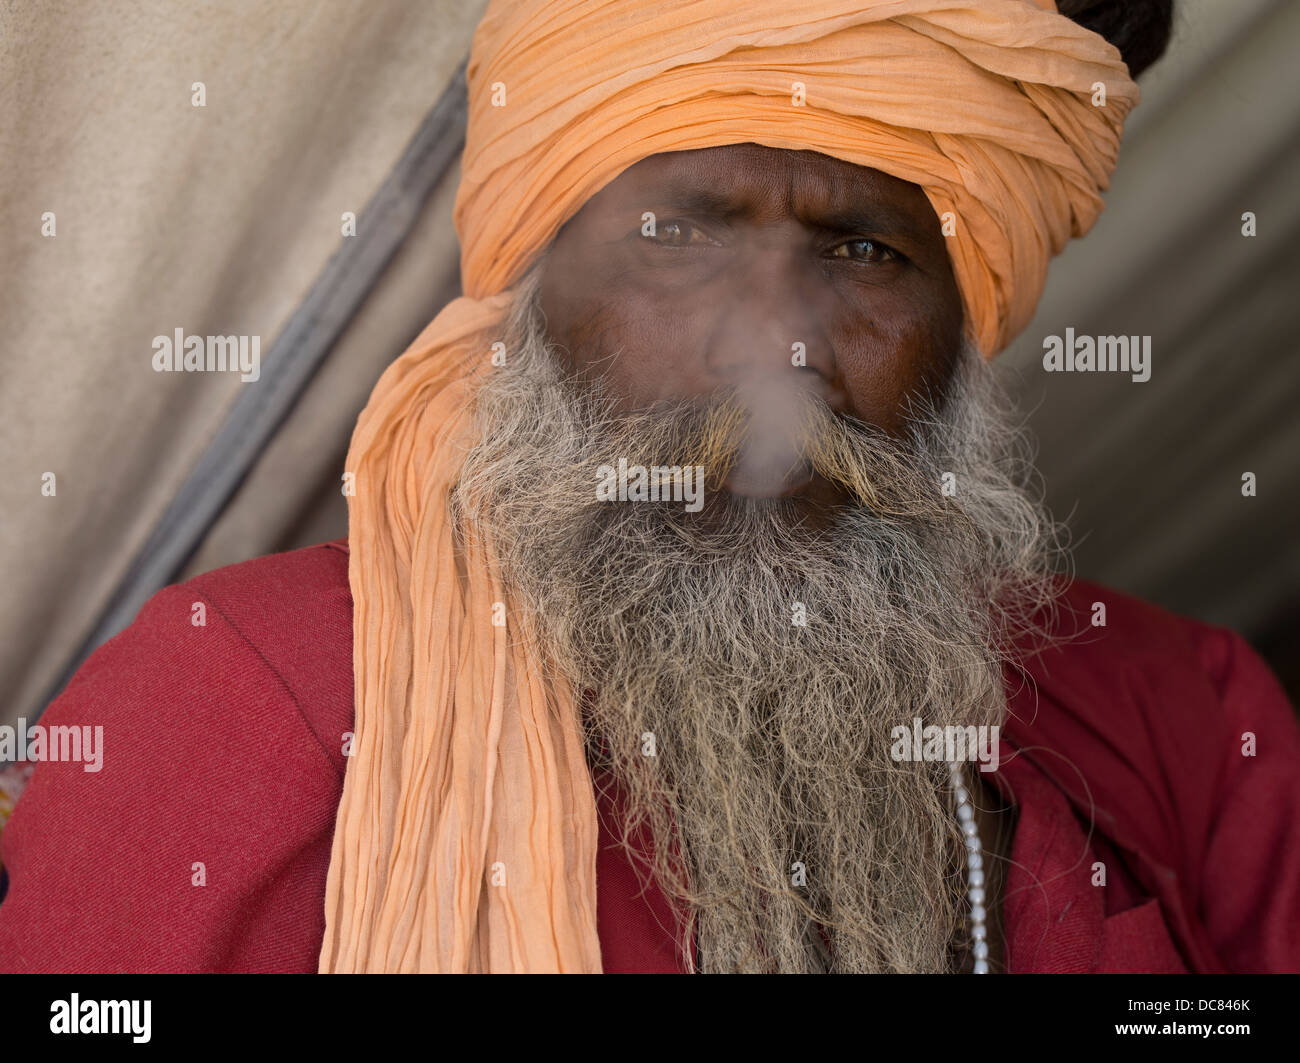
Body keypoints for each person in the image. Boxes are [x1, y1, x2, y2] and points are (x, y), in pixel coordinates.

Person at [2, 0, 1298, 974]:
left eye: (865, 249)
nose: (773, 347)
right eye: (679, 234)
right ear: (529, 291)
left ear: (970, 323)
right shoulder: (238, 703)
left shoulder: (1184, 715)